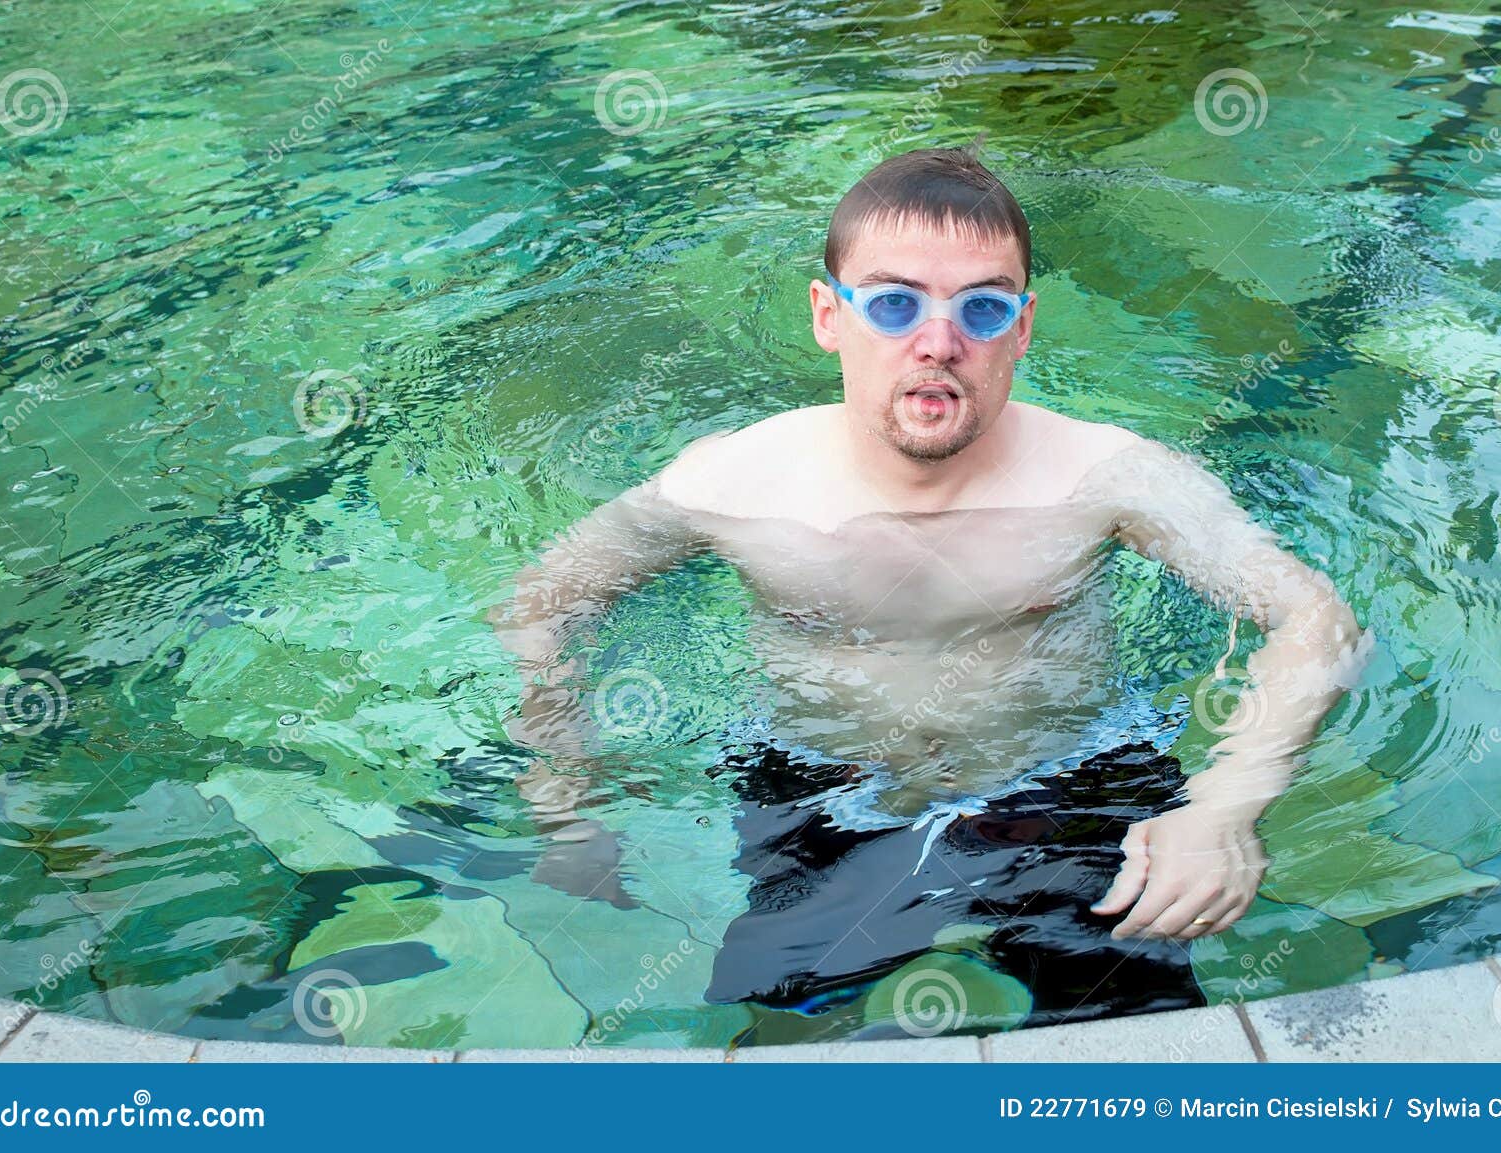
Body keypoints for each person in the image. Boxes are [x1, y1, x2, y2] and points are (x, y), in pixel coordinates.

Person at [489, 147, 1367, 1017]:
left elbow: (1314, 618)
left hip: (1071, 786)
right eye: (894, 302)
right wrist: (565, 799)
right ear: (829, 315)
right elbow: (545, 601)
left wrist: (1225, 807)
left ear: (1022, 327)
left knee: (1134, 1026)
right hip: (823, 791)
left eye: (981, 308)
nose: (938, 342)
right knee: (778, 1021)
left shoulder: (1106, 478)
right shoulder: (732, 486)